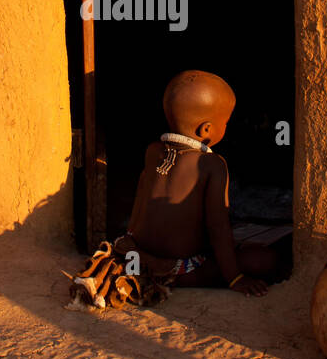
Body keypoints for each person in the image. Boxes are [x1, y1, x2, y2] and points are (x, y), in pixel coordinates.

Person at [115, 70, 286, 296]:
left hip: (138, 256)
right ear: (206, 129)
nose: (226, 126)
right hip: (180, 270)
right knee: (264, 260)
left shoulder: (153, 151)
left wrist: (129, 245)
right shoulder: (212, 164)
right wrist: (235, 278)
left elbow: (140, 201)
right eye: (225, 121)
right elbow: (218, 227)